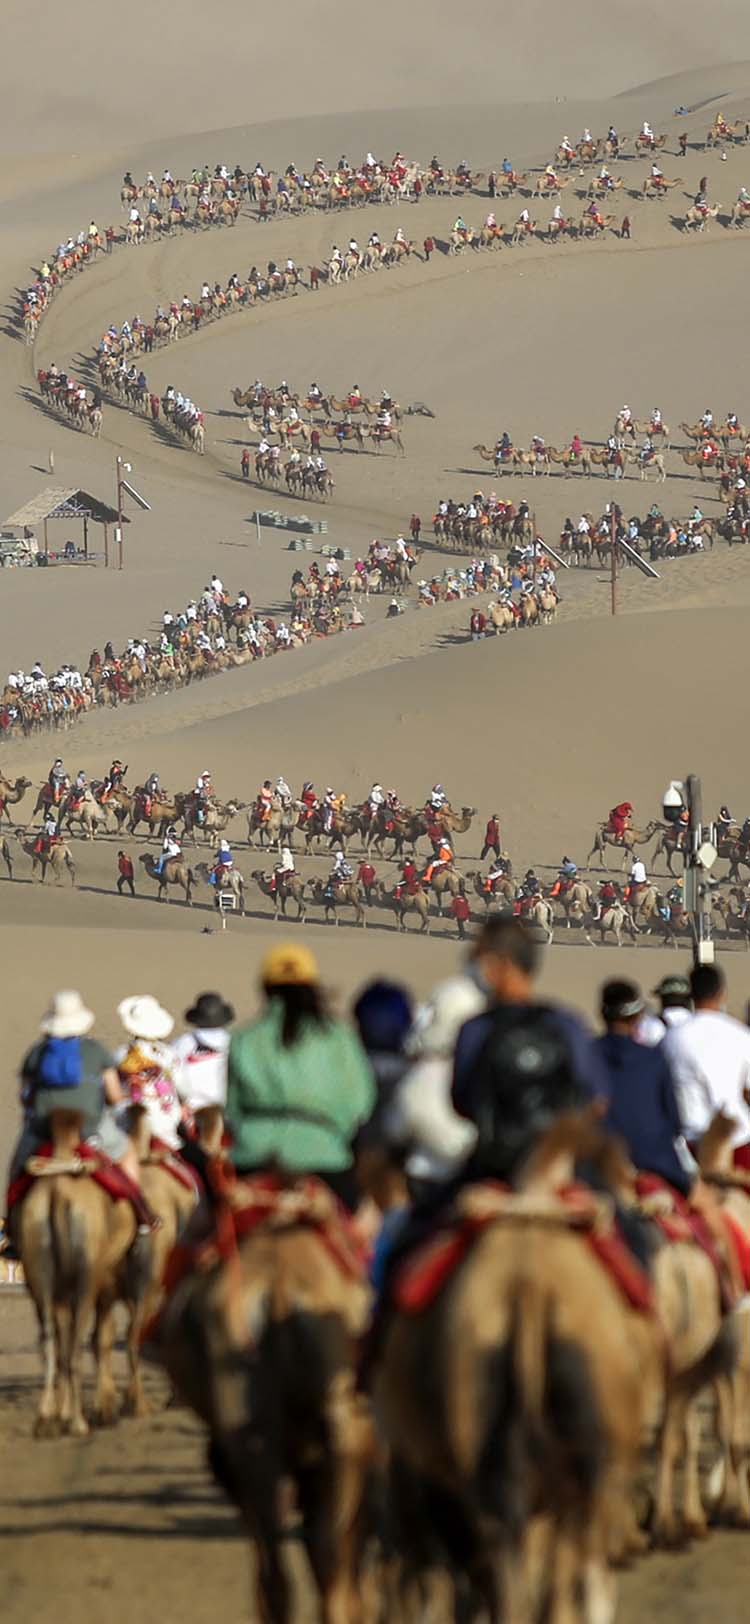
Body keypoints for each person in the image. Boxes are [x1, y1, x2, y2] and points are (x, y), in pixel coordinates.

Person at [225, 944, 375, 1208]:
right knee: (363, 1233)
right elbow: (360, 1103)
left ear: (265, 989)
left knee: (207, 1235)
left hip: (254, 1155)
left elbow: (232, 1109)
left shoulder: (244, 1039)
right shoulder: (339, 1037)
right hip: (324, 1156)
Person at [8, 989, 143, 1198]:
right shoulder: (95, 1049)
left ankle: (11, 1219)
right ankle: (141, 1215)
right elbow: (114, 1095)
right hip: (90, 1126)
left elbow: (25, 1096)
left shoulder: (38, 1051)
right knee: (127, 1153)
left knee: (17, 1167)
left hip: (45, 1126)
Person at [595, 979, 693, 1194]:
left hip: (598, 1164)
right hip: (655, 1163)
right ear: (637, 1017)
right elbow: (675, 1122)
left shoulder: (586, 1055)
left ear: (602, 1015)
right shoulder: (654, 1059)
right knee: (710, 1211)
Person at [664, 964, 750, 1164]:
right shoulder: (740, 1035)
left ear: (690, 994)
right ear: (722, 993)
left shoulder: (671, 1038)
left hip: (689, 1142)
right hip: (736, 1137)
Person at [116, 995, 182, 1150]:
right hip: (165, 1125)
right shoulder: (169, 1054)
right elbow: (182, 1086)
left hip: (127, 1122)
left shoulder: (120, 1054)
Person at [172, 992, 234, 1119]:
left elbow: (172, 1076)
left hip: (192, 1113)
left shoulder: (181, 1044)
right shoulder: (235, 1043)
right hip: (228, 1111)